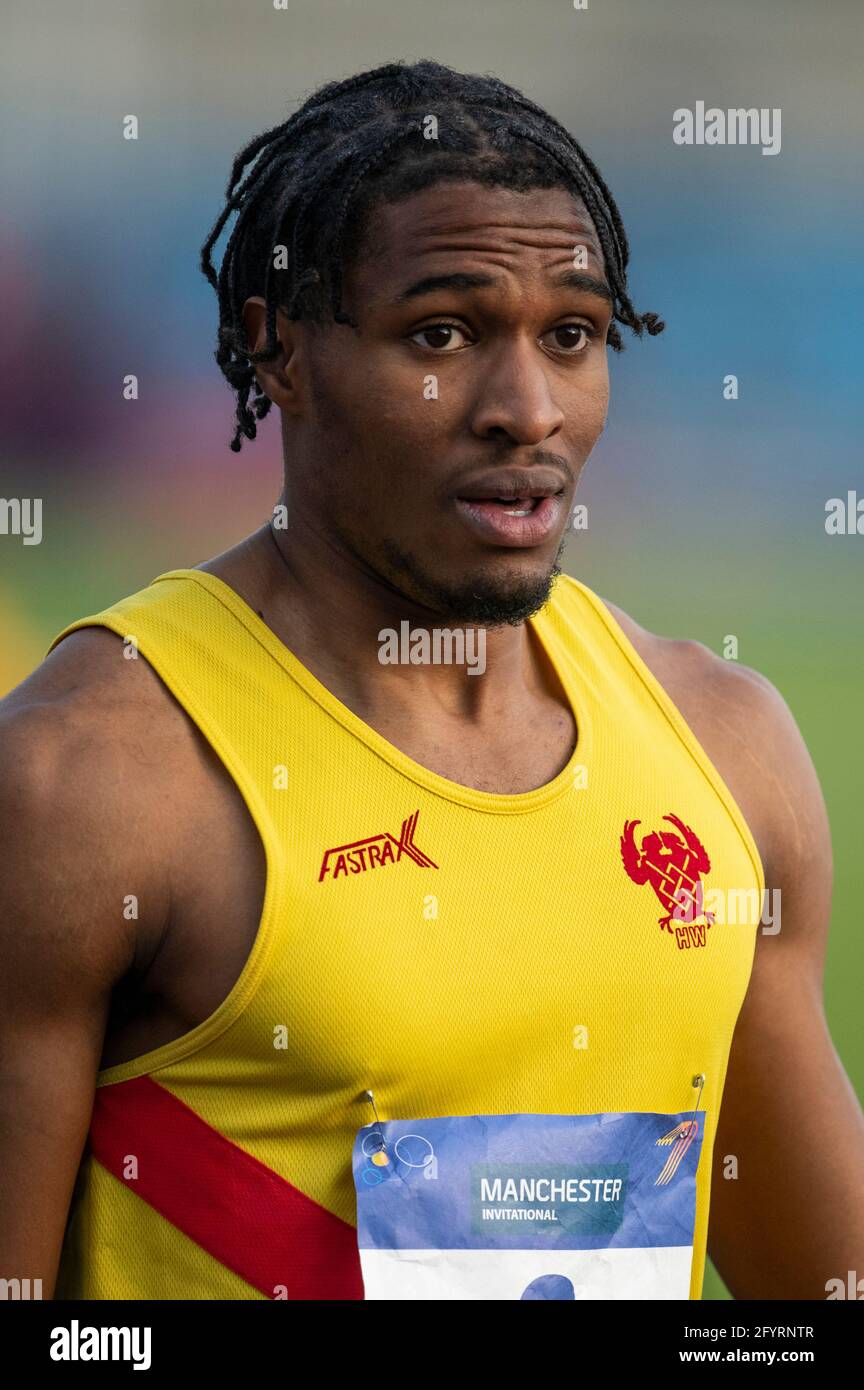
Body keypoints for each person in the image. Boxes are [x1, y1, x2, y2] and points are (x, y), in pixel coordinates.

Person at [1, 60, 861, 1302]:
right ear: (276, 348)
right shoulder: (89, 781)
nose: (527, 410)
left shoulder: (726, 752)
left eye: (570, 336)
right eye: (442, 335)